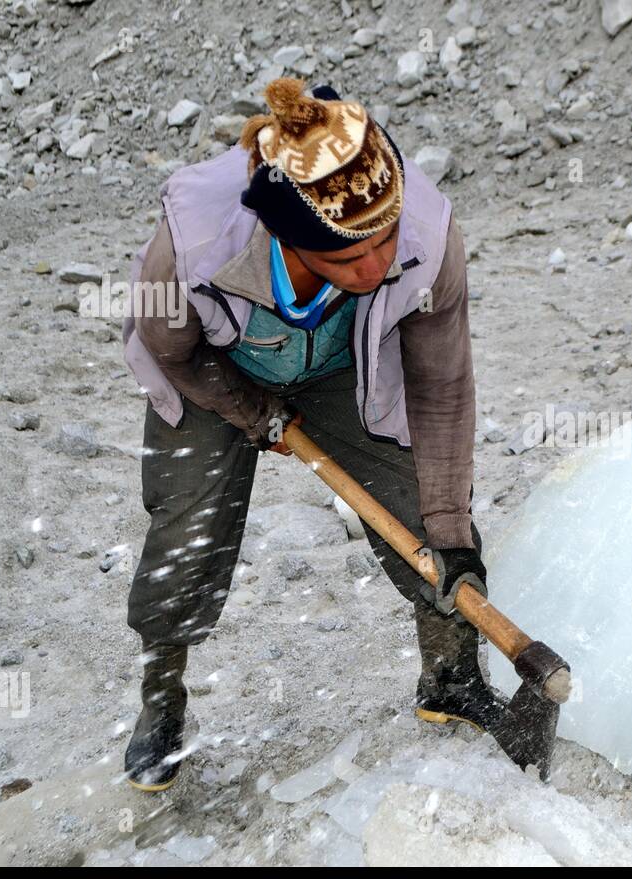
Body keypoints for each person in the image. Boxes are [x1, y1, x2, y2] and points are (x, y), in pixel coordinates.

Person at [120, 78, 500, 792]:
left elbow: (442, 388)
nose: (380, 264)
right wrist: (253, 413)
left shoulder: (428, 235)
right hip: (211, 370)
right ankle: (161, 702)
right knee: (185, 538)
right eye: (352, 258)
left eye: (386, 242)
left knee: (429, 516)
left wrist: (449, 532)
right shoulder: (193, 244)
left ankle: (451, 679)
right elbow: (171, 349)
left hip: (340, 364)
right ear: (290, 240)